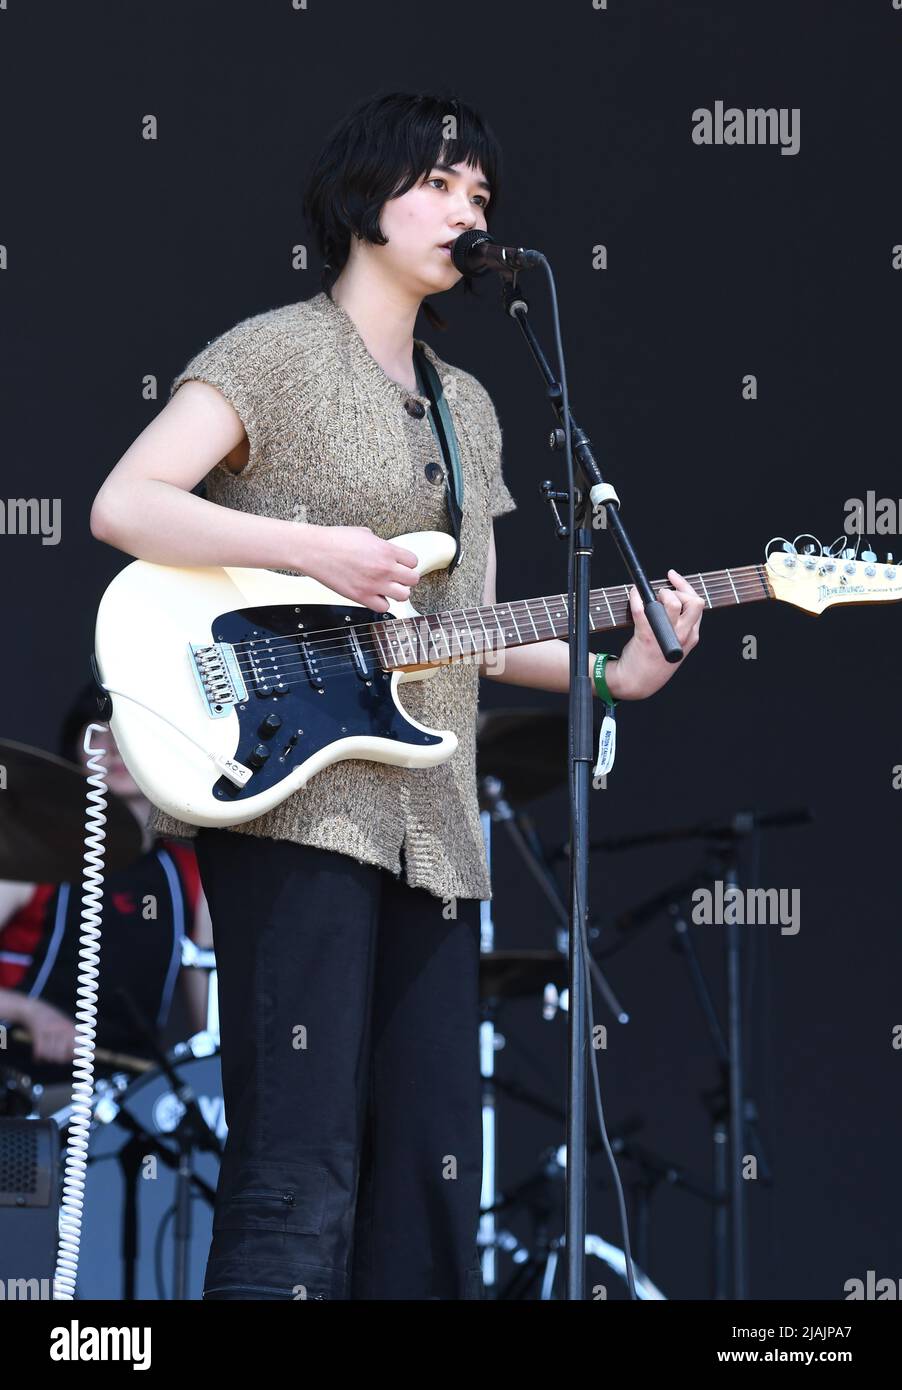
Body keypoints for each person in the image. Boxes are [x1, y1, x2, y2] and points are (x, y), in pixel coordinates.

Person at [88, 89, 704, 1300]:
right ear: (366, 198)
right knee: (296, 1167)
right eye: (439, 182)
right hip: (296, 805)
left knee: (426, 1190)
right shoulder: (275, 350)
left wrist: (611, 671)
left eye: (480, 193)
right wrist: (314, 553)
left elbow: (455, 636)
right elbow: (124, 504)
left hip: (435, 831)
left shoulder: (467, 402)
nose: (466, 209)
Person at [0, 683, 213, 1111]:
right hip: (16, 1089)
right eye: (97, 734)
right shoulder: (31, 861)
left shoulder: (192, 877)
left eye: (128, 735)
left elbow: (208, 1026)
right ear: (76, 755)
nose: (112, 749)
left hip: (129, 1113)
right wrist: (30, 1013)